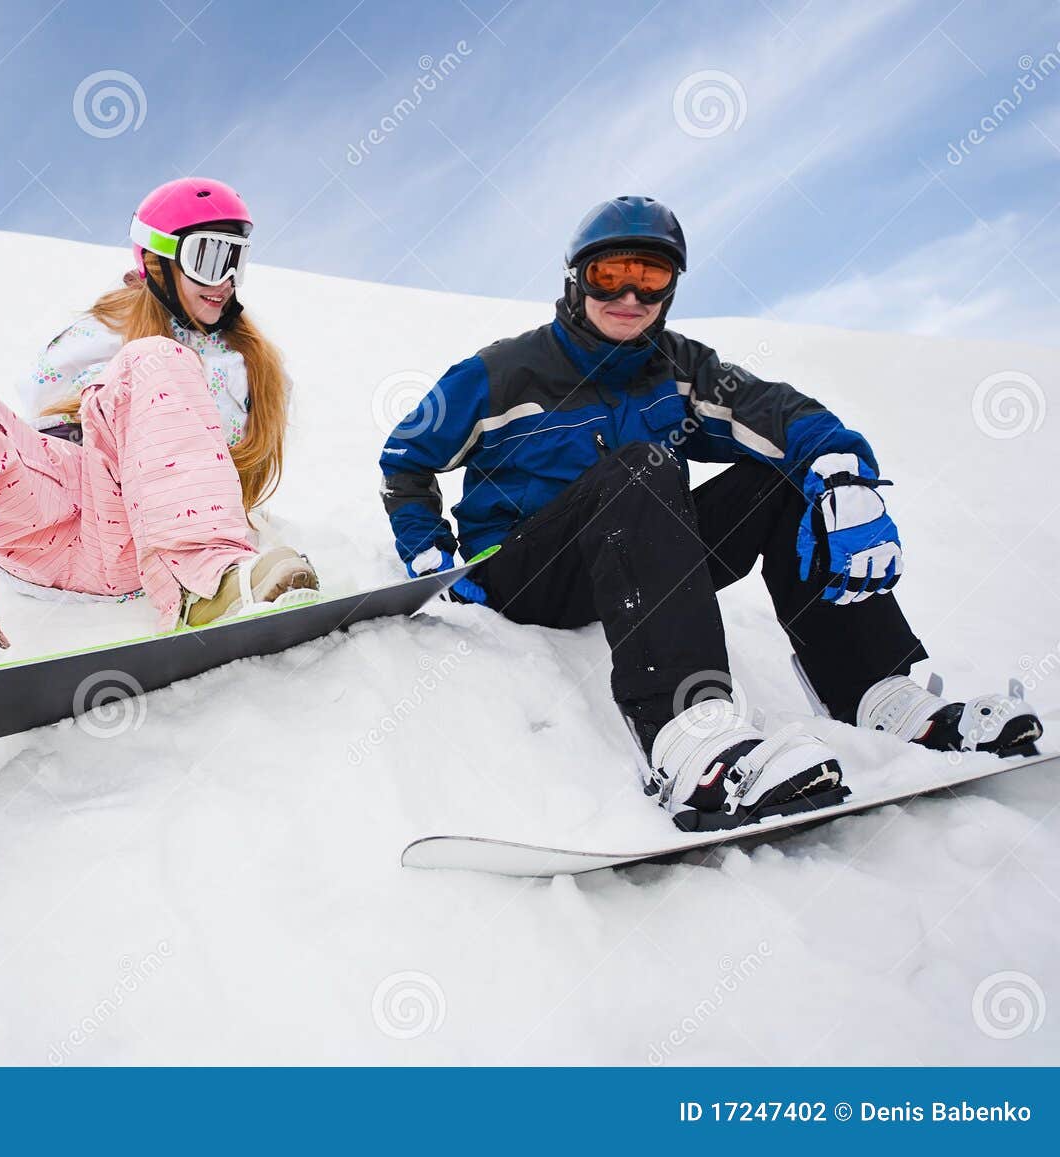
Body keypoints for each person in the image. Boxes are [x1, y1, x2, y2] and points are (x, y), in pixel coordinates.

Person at [379, 195, 1042, 830]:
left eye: (651, 277)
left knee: (782, 478)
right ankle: (688, 735)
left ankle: (877, 692)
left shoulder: (679, 368)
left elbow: (774, 413)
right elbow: (405, 459)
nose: (629, 297)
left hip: (642, 565)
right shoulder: (502, 372)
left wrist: (844, 476)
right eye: (610, 276)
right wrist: (432, 555)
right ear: (577, 279)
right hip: (533, 575)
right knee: (642, 465)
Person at [0, 177, 319, 688]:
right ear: (156, 260)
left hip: (156, 536)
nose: (224, 278)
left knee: (154, 358)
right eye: (208, 256)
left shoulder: (244, 365)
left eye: (236, 259)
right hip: (50, 519)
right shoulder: (95, 334)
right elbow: (30, 425)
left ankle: (209, 583)